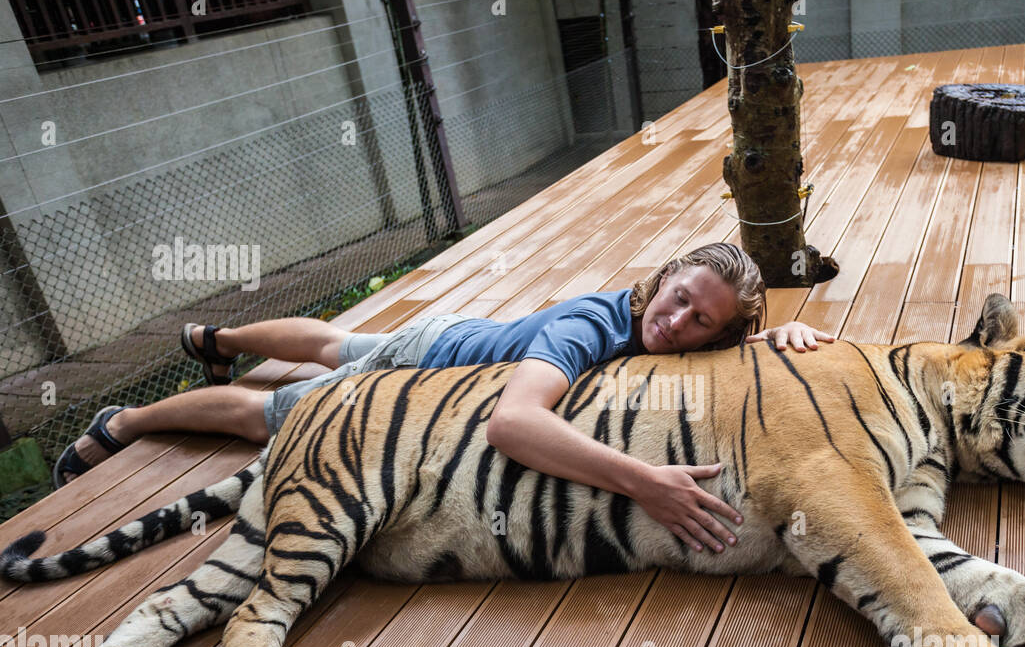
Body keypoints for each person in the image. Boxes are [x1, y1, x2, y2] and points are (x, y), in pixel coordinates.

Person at [55, 242, 834, 552]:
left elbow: (743, 349)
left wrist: (781, 339)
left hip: (456, 336)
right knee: (272, 417)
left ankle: (219, 342)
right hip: (423, 378)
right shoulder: (593, 328)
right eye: (678, 297)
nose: (677, 322)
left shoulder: (690, 333)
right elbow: (512, 425)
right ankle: (125, 419)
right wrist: (642, 482)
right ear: (661, 277)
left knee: (332, 341)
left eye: (703, 321)